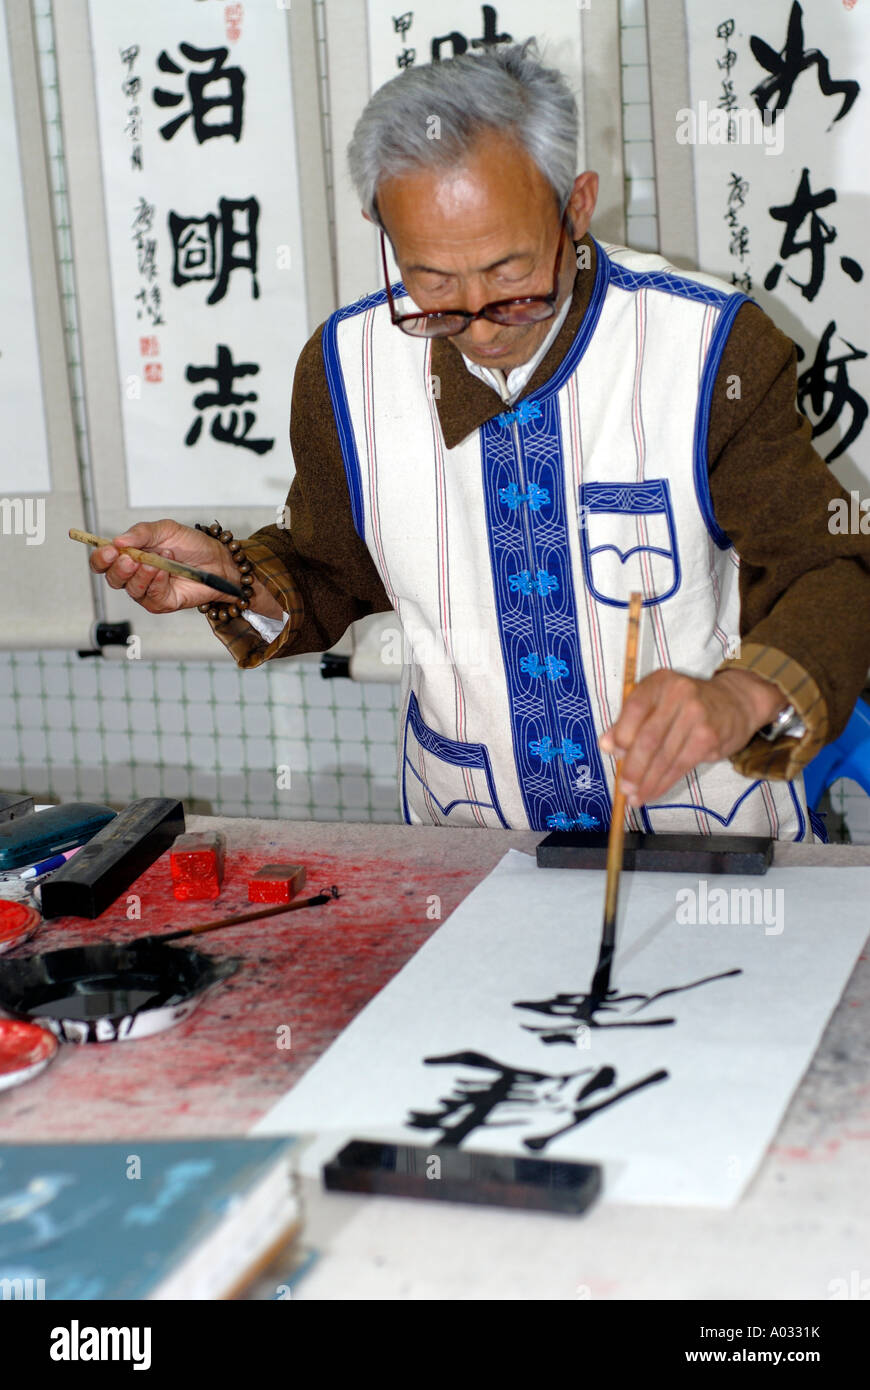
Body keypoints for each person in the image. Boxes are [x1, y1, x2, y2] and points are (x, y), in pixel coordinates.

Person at [90, 42, 870, 838]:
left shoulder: (706, 347)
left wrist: (736, 698)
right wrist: (229, 576)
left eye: (509, 275)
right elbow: (334, 571)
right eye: (432, 283)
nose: (477, 321)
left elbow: (828, 561)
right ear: (382, 227)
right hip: (473, 845)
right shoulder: (344, 369)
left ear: (576, 206)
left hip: (705, 829)